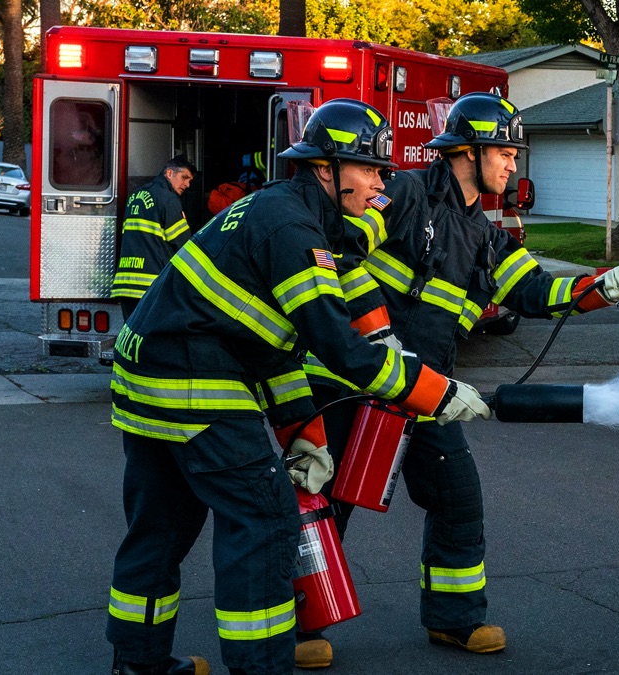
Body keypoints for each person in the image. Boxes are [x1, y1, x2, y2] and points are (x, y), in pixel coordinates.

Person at [103, 98, 493, 675]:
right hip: (192, 382)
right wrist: (434, 392)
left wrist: (302, 434)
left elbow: (277, 348)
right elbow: (339, 347)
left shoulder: (280, 211)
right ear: (325, 168)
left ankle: (138, 664)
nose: (379, 182)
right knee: (265, 521)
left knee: (162, 528)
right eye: (369, 169)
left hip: (146, 375)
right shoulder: (294, 229)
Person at [298, 92, 619, 668]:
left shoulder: (483, 235)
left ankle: (455, 620)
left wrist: (599, 290)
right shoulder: (404, 194)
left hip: (425, 392)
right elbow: (340, 250)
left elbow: (537, 292)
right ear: (469, 150)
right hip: (352, 381)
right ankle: (297, 628)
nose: (514, 164)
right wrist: (375, 338)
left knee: (457, 497)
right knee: (328, 502)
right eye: (506, 152)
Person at [110, 155, 196, 318]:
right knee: (154, 339)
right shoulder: (168, 199)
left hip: (125, 284)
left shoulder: (135, 196)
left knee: (131, 337)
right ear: (169, 173)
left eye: (190, 181)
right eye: (184, 177)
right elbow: (183, 245)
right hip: (152, 284)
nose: (187, 184)